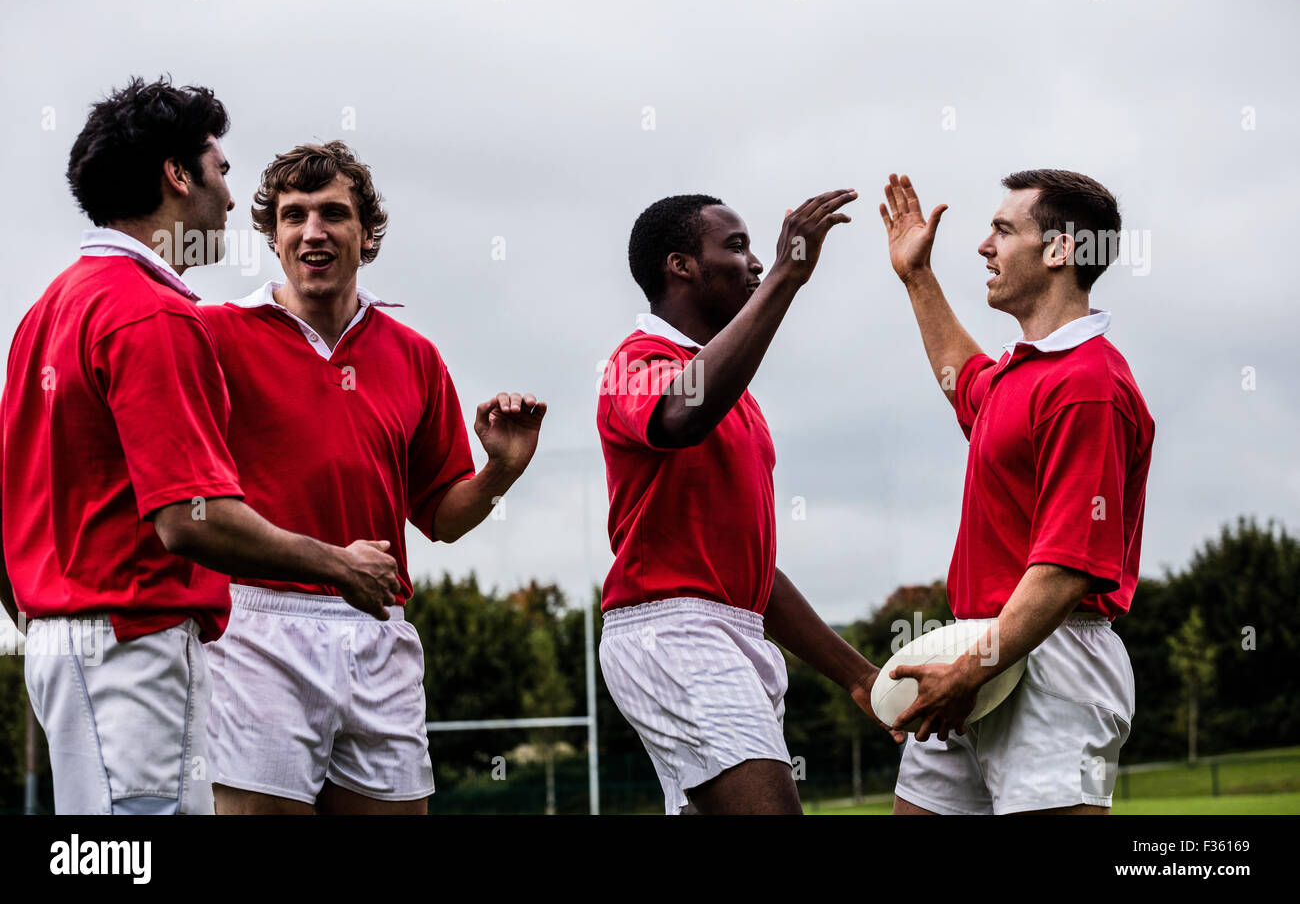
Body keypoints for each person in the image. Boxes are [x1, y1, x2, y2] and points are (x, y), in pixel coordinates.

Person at [0, 78, 401, 815]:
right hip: (134, 645)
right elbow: (190, 517)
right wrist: (337, 563)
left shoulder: (48, 308)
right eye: (219, 171)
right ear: (177, 176)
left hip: (76, 645)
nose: (226, 196)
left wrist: (45, 617)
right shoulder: (151, 312)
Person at [201, 140, 546, 814]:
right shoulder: (214, 335)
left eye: (333, 213)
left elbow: (442, 517)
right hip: (256, 629)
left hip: (378, 629)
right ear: (273, 238)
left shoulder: (414, 354)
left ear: (367, 235)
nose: (313, 232)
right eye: (294, 216)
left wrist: (501, 471)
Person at [597, 190, 893, 815]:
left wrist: (859, 677)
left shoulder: (739, 398)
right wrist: (787, 277)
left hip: (734, 632)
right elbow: (679, 417)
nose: (755, 261)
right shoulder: (634, 361)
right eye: (736, 246)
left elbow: (754, 576)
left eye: (759, 251)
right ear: (680, 266)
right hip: (671, 632)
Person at [878, 171, 1154, 815]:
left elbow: (1064, 572)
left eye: (1003, 229)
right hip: (976, 656)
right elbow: (964, 381)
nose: (983, 245)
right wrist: (917, 277)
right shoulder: (1021, 370)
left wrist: (968, 673)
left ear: (1060, 252)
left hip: (1051, 661)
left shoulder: (1088, 385)